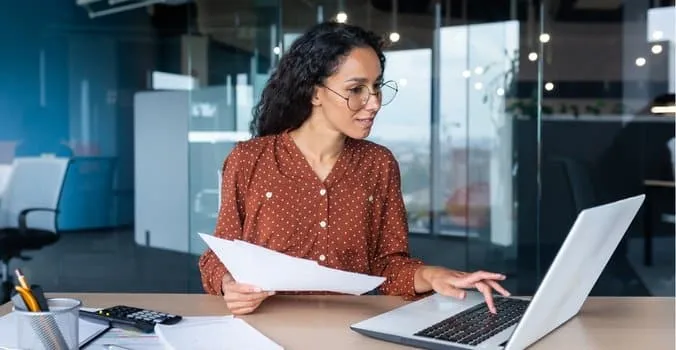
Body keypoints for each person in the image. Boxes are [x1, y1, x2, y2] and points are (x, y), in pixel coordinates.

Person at [198, 21, 510, 316]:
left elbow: (388, 268)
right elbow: (219, 256)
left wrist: (435, 276)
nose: (373, 102)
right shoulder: (249, 159)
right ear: (315, 92)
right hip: (261, 328)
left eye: (376, 87)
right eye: (356, 89)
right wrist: (228, 284)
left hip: (349, 329)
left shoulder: (379, 164)